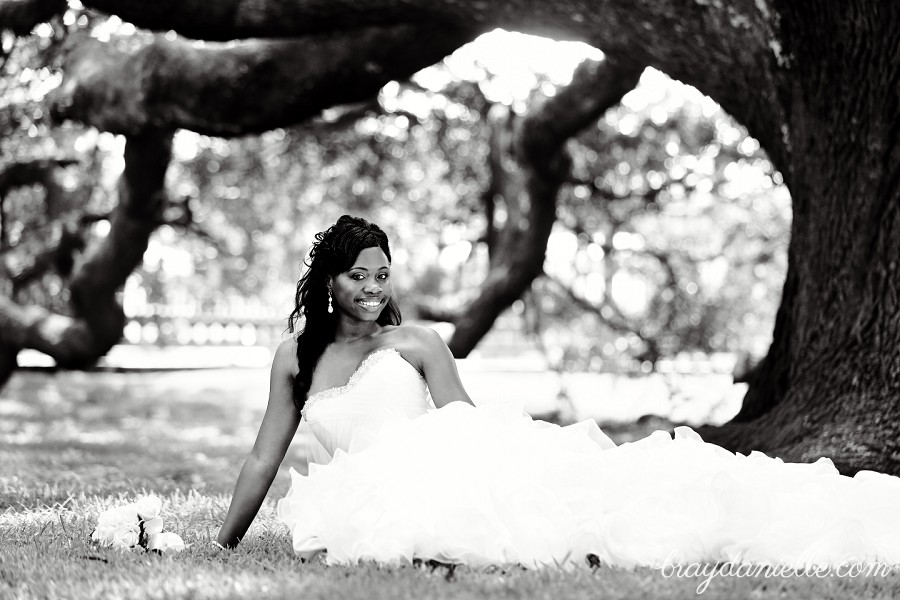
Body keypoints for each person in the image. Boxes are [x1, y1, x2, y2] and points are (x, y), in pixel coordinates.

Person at [218, 215, 900, 569]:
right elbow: (261, 460)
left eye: (382, 276)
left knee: (620, 500)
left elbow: (465, 424)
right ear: (328, 280)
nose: (372, 290)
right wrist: (223, 546)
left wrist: (499, 479)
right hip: (360, 491)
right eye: (358, 277)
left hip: (445, 466)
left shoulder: (418, 343)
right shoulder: (294, 359)